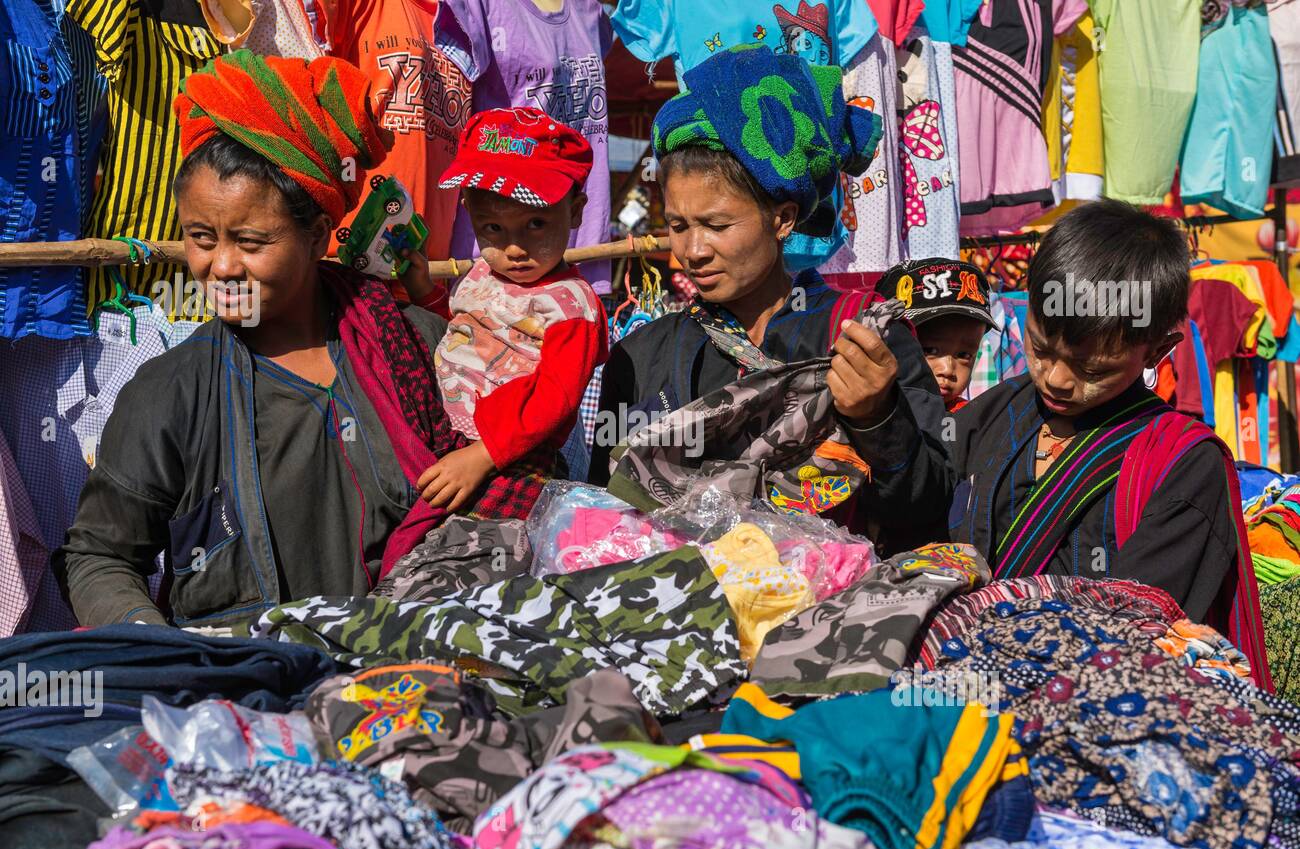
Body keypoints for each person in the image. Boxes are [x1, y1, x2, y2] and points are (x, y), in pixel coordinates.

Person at [54, 51, 549, 631]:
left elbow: (523, 472)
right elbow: (99, 557)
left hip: (416, 675)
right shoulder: (169, 393)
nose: (222, 267)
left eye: (250, 240)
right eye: (201, 238)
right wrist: (159, 643)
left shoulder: (422, 349)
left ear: (317, 237)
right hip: (248, 685)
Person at [590, 45, 953, 552]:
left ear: (782, 218)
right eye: (677, 226)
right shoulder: (639, 357)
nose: (693, 251)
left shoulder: (864, 340)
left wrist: (879, 417)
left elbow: (928, 509)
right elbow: (602, 521)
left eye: (717, 225)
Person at [949, 199, 1270, 688]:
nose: (1055, 380)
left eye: (1092, 370)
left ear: (1158, 350)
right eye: (1040, 349)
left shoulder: (1182, 464)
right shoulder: (994, 411)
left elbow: (1129, 622)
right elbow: (913, 513)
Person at [398, 107, 607, 513]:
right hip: (449, 431)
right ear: (470, 214)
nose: (514, 248)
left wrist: (482, 458)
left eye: (536, 224)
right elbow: (462, 330)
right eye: (493, 228)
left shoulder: (572, 308)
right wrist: (423, 291)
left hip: (513, 459)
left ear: (576, 212)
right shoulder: (482, 272)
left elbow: (555, 400)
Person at [876, 258, 996, 412]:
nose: (947, 369)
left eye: (964, 355)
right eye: (929, 351)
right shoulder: (860, 410)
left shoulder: (968, 420)